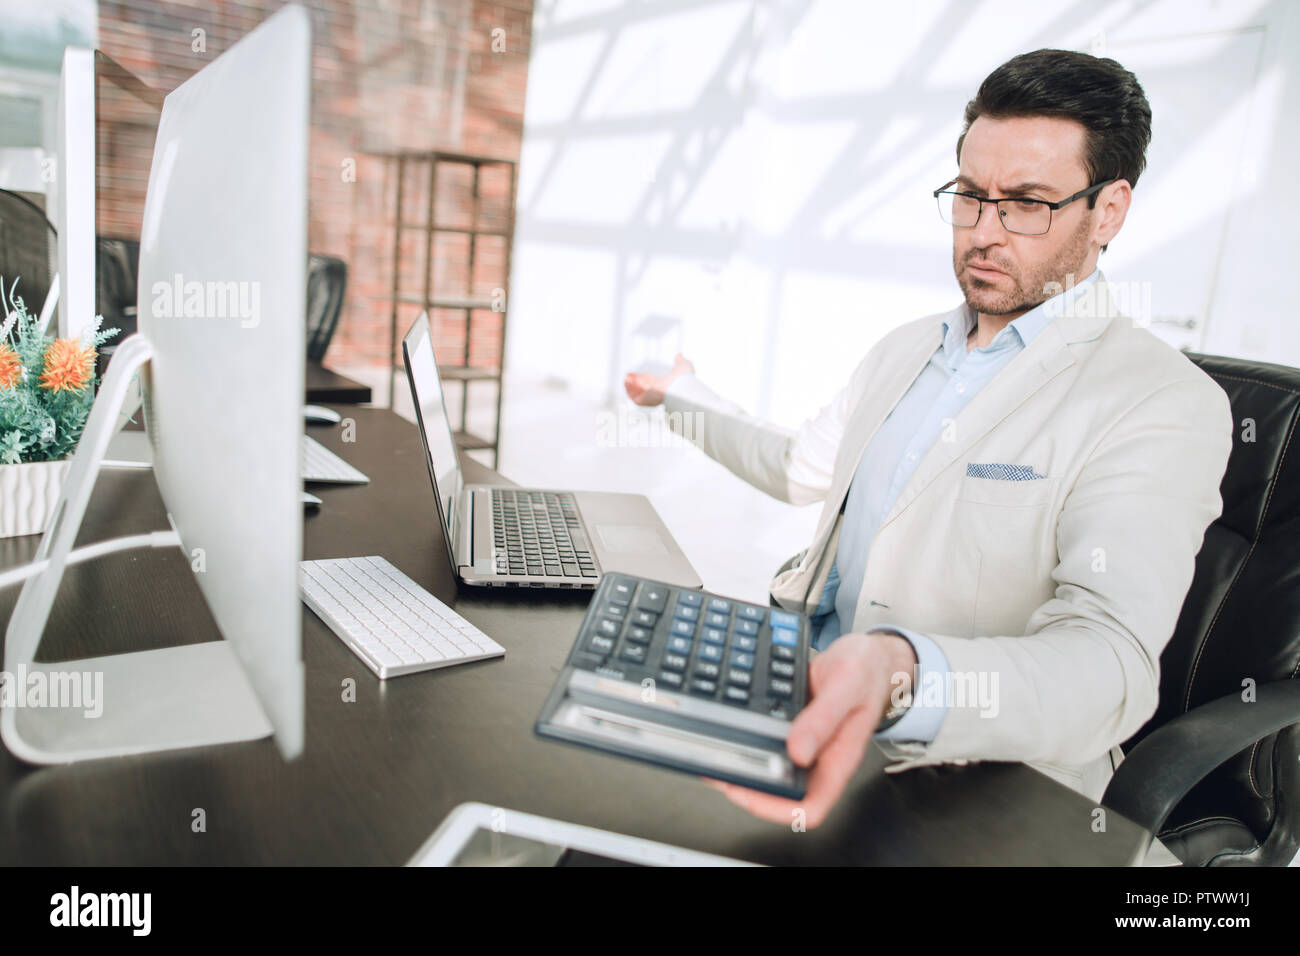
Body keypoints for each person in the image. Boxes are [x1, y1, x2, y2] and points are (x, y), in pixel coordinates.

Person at [623, 49, 1233, 854]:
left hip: (978, 786)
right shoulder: (907, 348)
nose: (983, 233)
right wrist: (682, 399)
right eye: (971, 197)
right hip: (810, 718)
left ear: (1109, 210)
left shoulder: (1158, 400)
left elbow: (1110, 666)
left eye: (1025, 205)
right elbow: (800, 467)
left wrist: (900, 674)